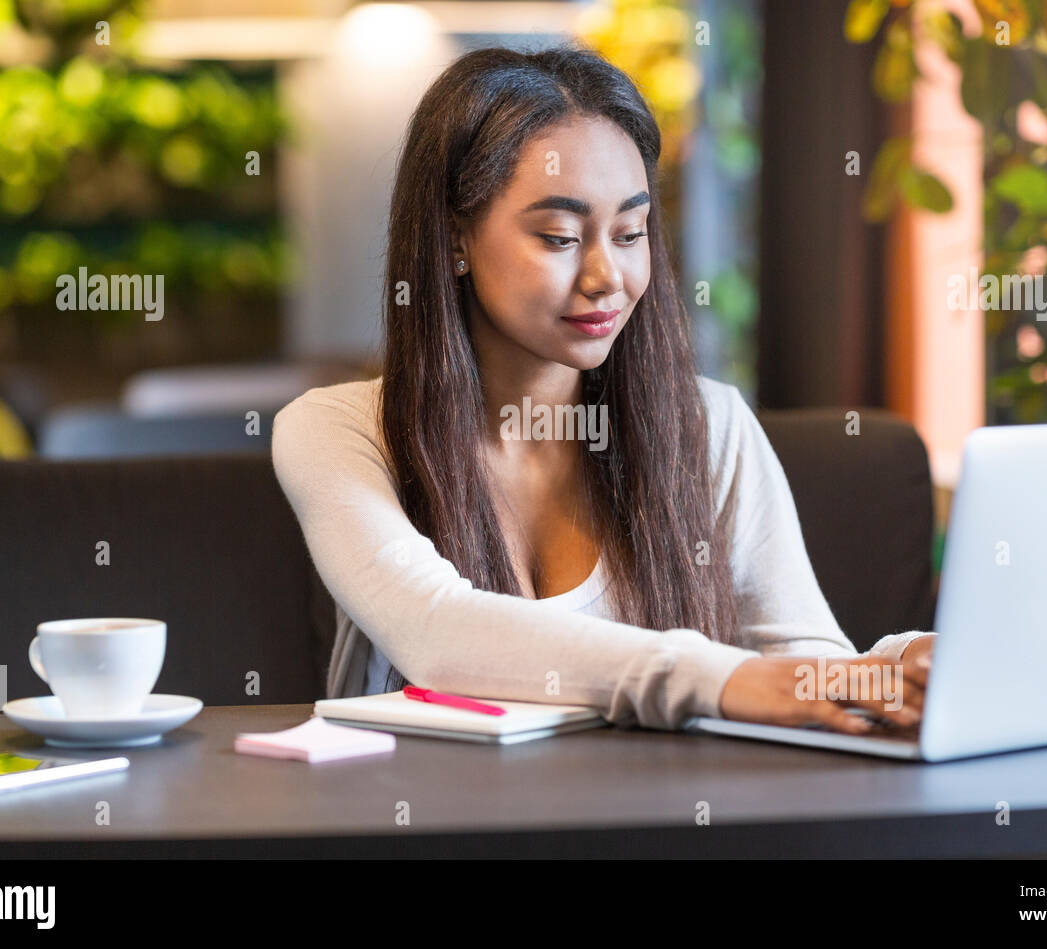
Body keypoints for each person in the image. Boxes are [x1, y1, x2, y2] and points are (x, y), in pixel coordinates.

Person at [272, 45, 935, 733]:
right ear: (454, 238)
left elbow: (802, 668)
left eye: (629, 232)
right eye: (560, 237)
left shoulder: (710, 425)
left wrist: (896, 664)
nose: (607, 276)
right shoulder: (336, 430)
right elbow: (435, 630)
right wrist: (714, 675)